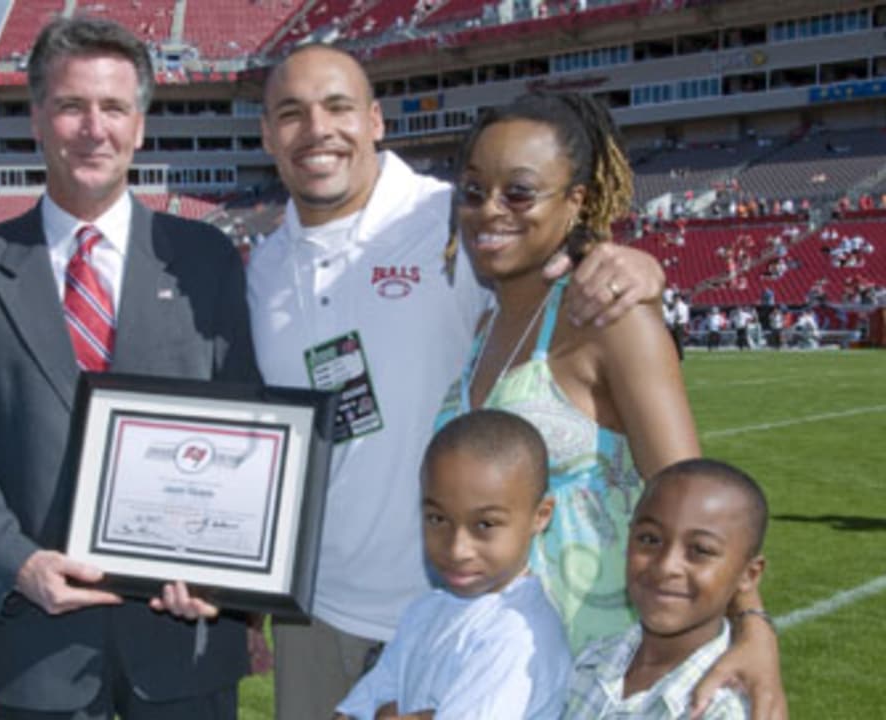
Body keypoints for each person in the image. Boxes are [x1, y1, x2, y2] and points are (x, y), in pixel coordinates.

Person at [248, 43, 665, 719]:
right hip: (319, 608)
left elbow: (554, 243)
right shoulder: (262, 268)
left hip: (471, 603)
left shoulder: (452, 217)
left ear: (376, 120)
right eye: (290, 113)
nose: (316, 129)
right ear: (266, 134)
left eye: (337, 107)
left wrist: (637, 265)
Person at [0, 18, 259, 720]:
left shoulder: (206, 260)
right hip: (35, 651)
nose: (92, 128)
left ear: (140, 124)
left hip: (184, 641)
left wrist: (224, 571)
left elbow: (245, 430)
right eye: (72, 106)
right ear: (38, 117)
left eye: (113, 108)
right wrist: (18, 561)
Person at [432, 91, 782, 718]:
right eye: (473, 189)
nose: (489, 210)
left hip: (587, 674)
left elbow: (693, 501)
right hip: (498, 674)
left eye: (519, 192)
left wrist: (753, 628)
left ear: (578, 201)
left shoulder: (611, 320)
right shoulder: (484, 325)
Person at [335, 410, 571, 719]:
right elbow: (353, 710)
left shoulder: (516, 637)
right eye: (438, 519)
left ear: (541, 515)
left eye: (485, 524)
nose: (457, 549)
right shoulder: (428, 609)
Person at [565, 459, 769, 719]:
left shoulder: (726, 708)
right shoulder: (593, 660)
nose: (666, 566)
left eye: (701, 550)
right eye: (650, 539)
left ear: (748, 575)